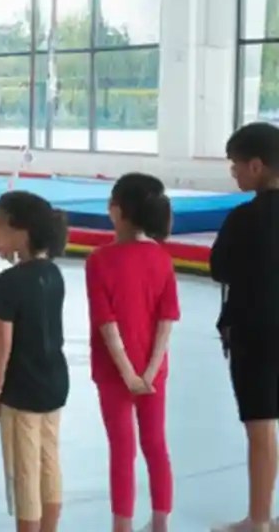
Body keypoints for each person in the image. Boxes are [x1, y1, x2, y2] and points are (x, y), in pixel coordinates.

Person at [86, 173, 179, 532]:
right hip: (153, 370)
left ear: (117, 211)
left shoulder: (99, 260)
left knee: (122, 450)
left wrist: (127, 372)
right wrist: (150, 370)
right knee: (156, 445)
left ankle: (121, 525)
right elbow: (166, 320)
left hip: (114, 373)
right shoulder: (162, 259)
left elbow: (106, 323)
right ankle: (160, 523)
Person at [0, 191, 70, 532]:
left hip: (22, 389)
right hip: (53, 383)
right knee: (48, 462)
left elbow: (0, 338)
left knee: (24, 474)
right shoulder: (53, 273)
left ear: (21, 231)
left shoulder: (9, 282)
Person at [211, 122, 279, 532]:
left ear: (256, 166)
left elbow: (220, 267)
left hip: (255, 334)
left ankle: (258, 519)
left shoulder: (243, 218)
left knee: (261, 426)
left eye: (235, 165)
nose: (233, 172)